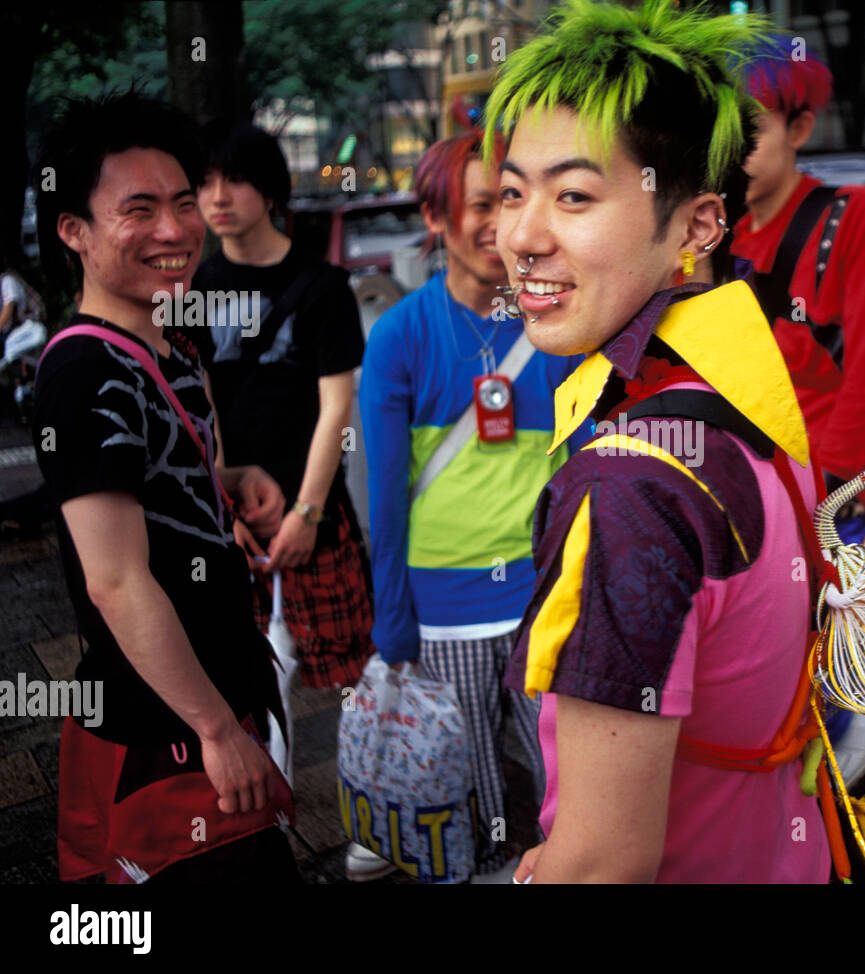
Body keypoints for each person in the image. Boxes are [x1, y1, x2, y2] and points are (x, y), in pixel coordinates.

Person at [487, 0, 831, 883]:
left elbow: (603, 864)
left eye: (573, 196)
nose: (521, 237)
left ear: (698, 226)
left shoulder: (631, 486)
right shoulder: (745, 393)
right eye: (512, 193)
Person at [33, 93, 297, 884]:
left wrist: (231, 477)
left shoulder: (170, 344)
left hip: (209, 690)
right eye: (138, 210)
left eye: (184, 203)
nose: (177, 230)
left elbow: (156, 477)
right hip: (162, 731)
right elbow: (115, 580)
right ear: (74, 231)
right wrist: (217, 730)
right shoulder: (82, 372)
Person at [358, 131, 577, 882]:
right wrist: (392, 620)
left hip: (541, 603)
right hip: (442, 612)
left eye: (512, 200)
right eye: (481, 204)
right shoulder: (399, 337)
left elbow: (584, 461)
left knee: (570, 792)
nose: (499, 223)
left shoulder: (557, 322)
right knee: (471, 805)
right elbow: (382, 496)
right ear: (435, 216)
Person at [191, 120, 374, 692]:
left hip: (315, 513)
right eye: (206, 183)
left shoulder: (322, 286)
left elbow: (335, 408)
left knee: (352, 680)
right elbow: (202, 402)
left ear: (270, 192)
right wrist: (223, 505)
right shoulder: (192, 290)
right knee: (237, 685)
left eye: (237, 181)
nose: (218, 197)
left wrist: (307, 512)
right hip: (232, 518)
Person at [732, 35, 865, 487]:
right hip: (743, 490)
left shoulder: (857, 212)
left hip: (827, 498)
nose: (730, 152)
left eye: (749, 132)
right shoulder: (716, 235)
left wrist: (825, 493)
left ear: (800, 130)